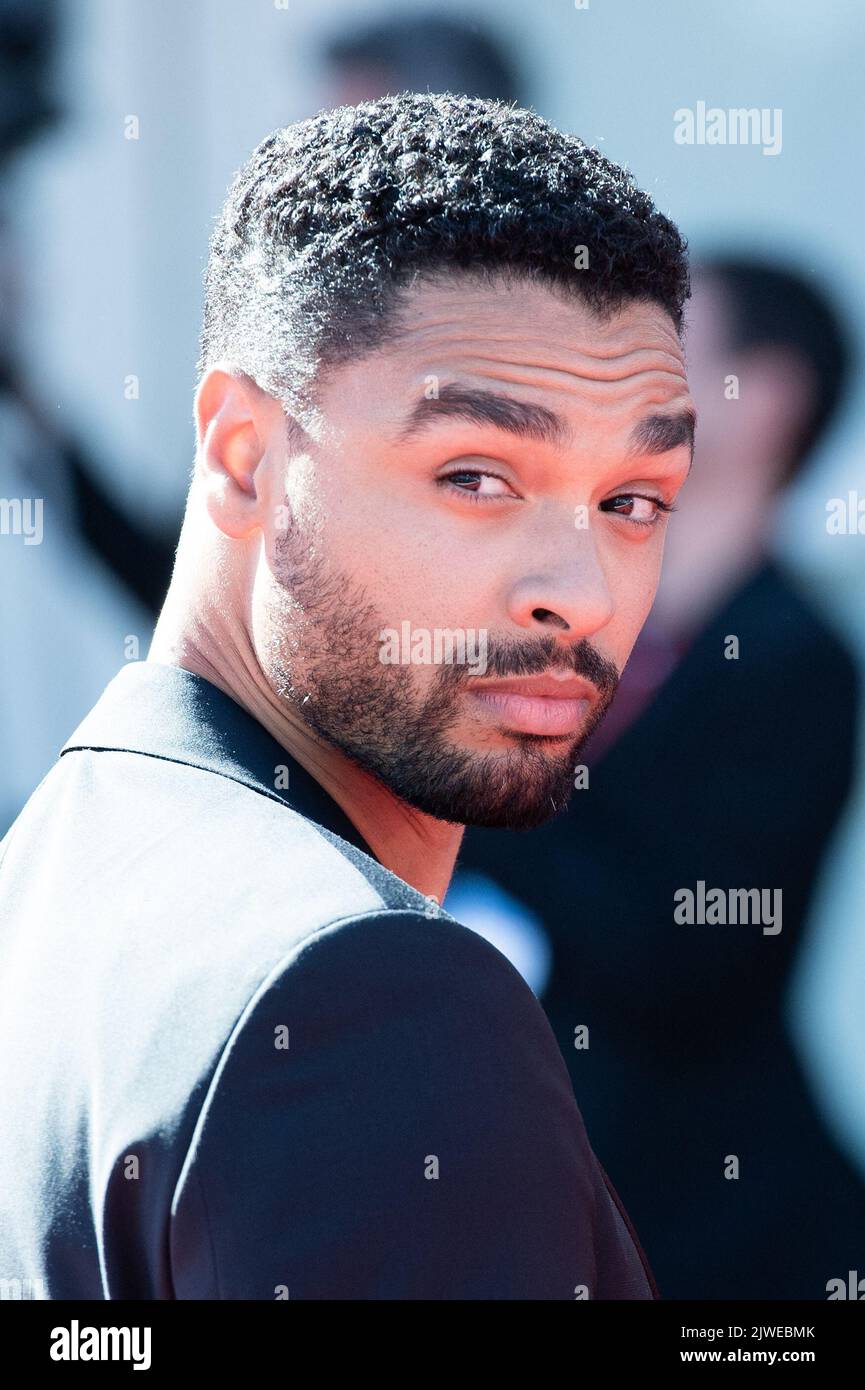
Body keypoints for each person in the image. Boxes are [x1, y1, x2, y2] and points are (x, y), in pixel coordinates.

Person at [0, 92, 696, 1300]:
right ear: (242, 456)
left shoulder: (62, 852)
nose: (578, 594)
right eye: (476, 474)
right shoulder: (369, 994)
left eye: (634, 499)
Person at [450, 255, 864, 1298]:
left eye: (671, 353)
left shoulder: (794, 662)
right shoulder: (585, 617)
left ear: (764, 399)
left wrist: (467, 784)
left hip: (726, 1229)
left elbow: (678, 945)